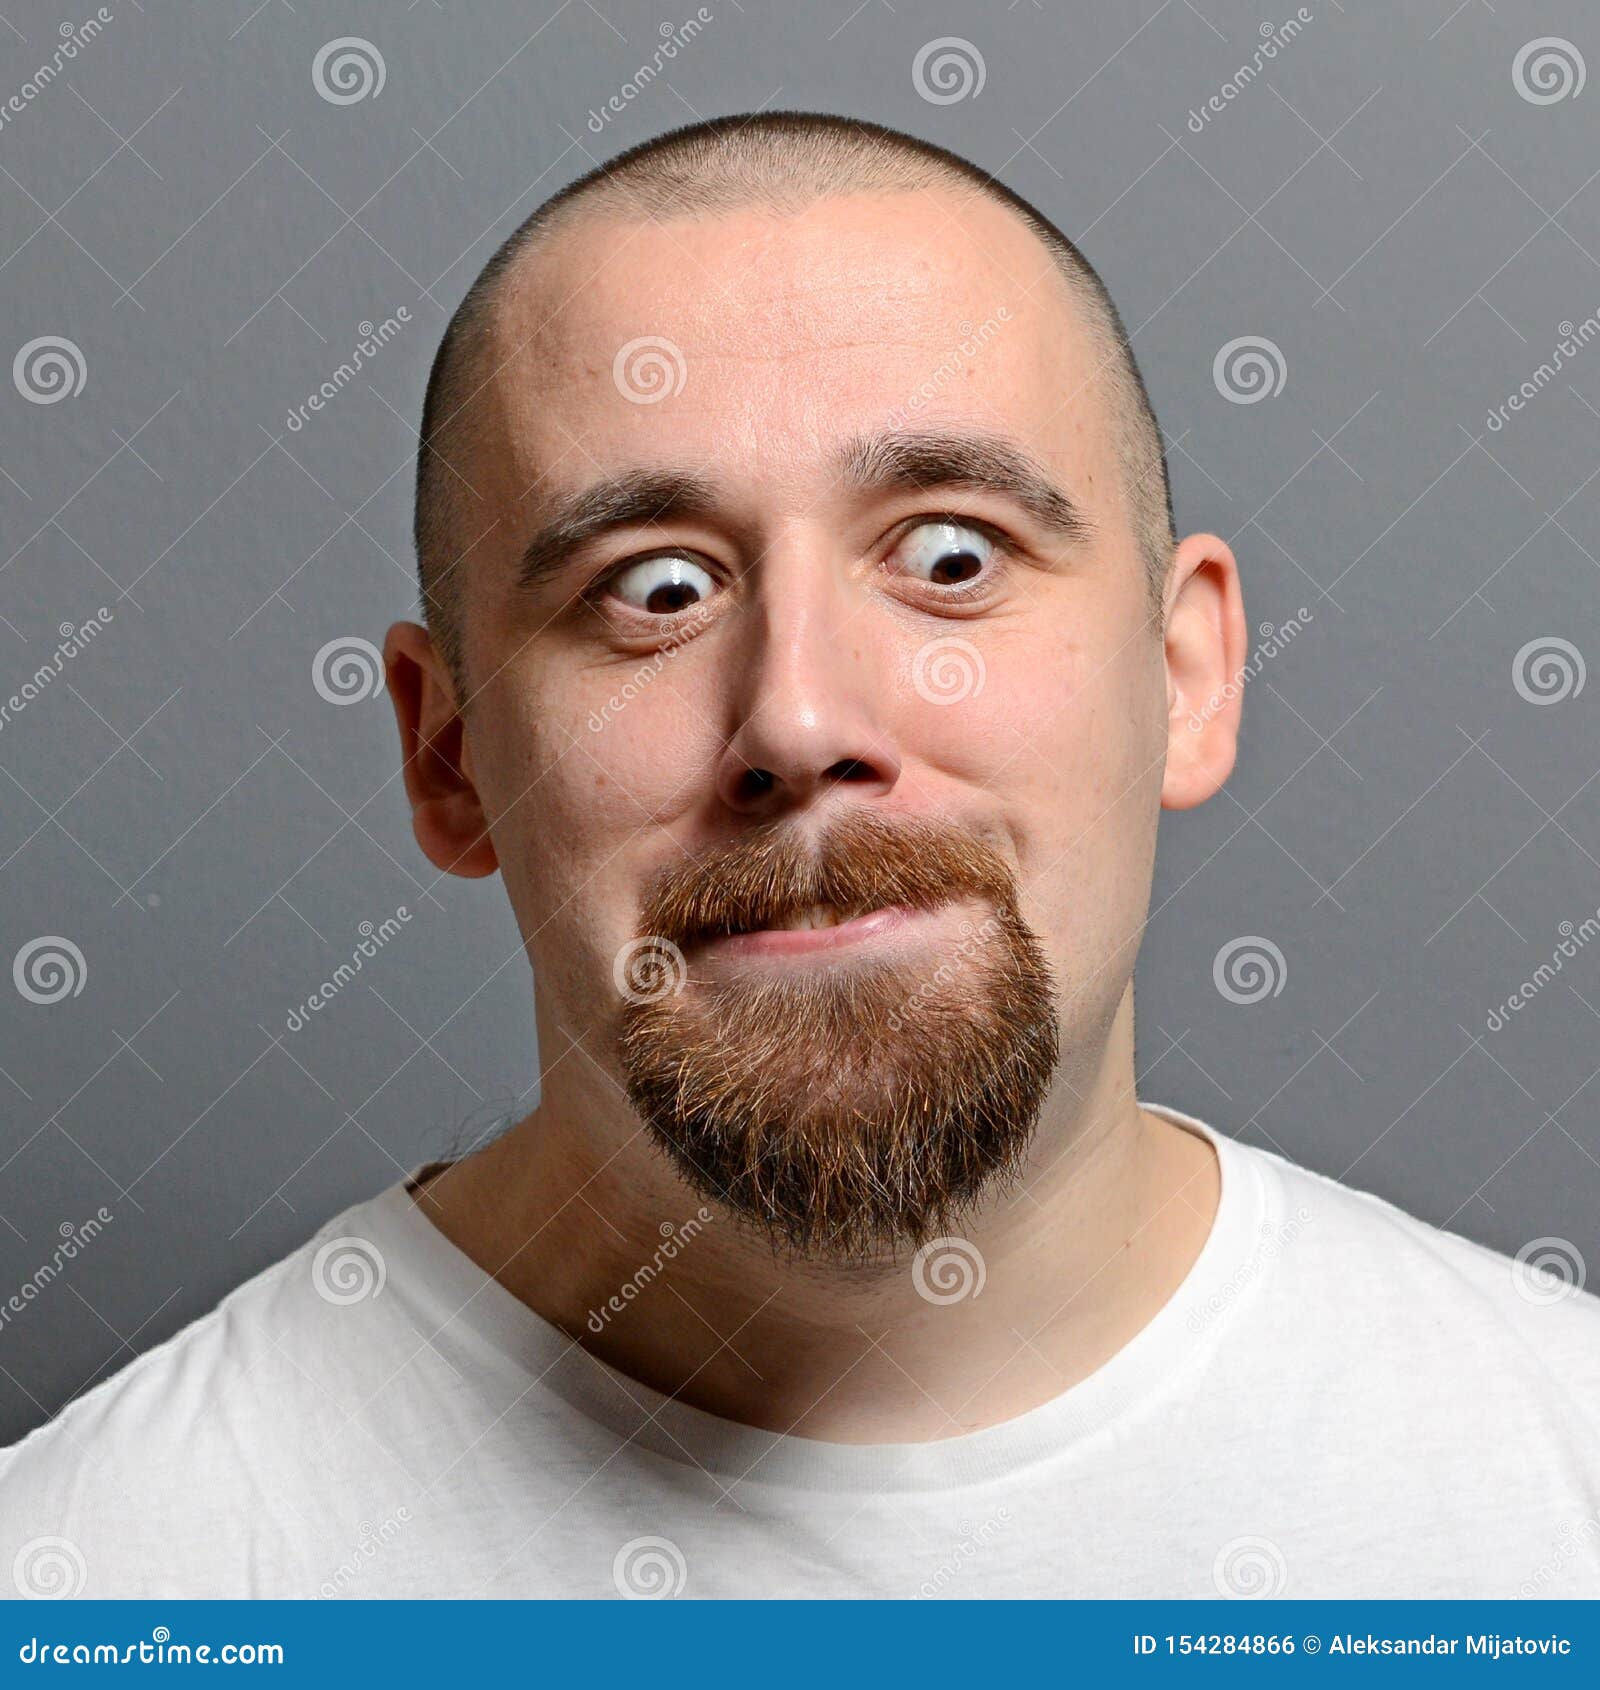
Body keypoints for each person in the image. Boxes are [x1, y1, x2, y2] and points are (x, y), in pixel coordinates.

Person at [3, 111, 1597, 1602]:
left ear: (1184, 676)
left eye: (952, 555)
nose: (801, 714)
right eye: (656, 588)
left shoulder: (1554, 1513)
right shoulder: (104, 1587)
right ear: (449, 756)